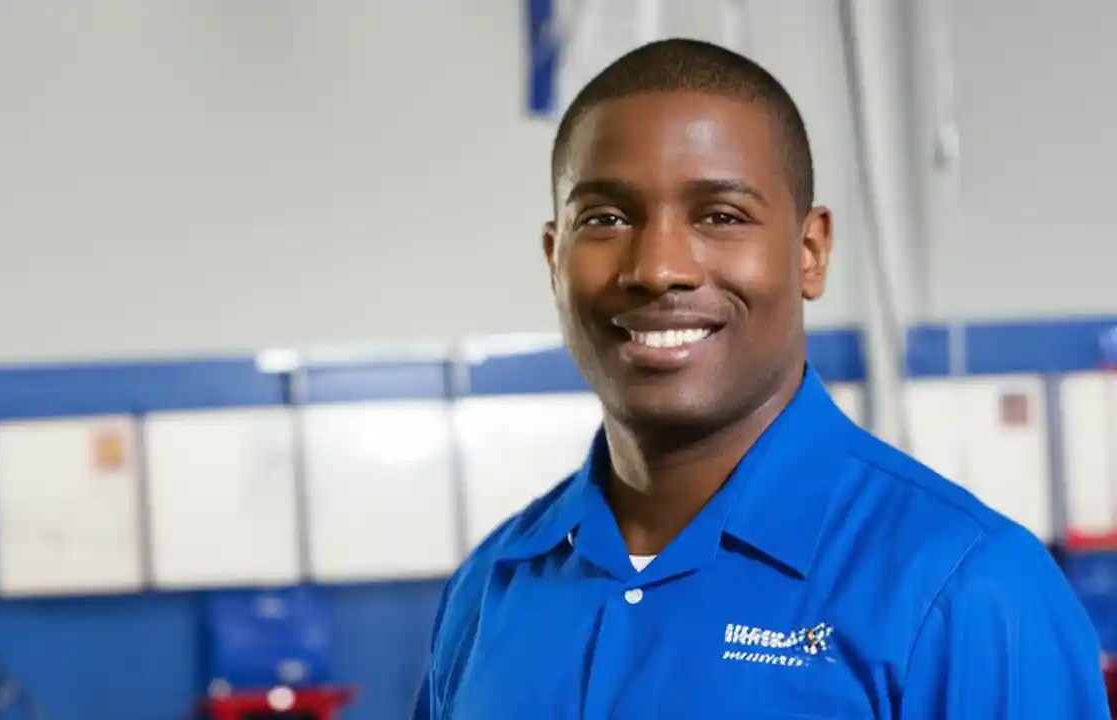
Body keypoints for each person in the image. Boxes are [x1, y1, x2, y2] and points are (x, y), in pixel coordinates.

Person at [414, 38, 1109, 718]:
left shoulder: (971, 594)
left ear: (809, 252)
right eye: (606, 218)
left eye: (721, 216)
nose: (658, 268)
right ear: (553, 257)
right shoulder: (491, 589)